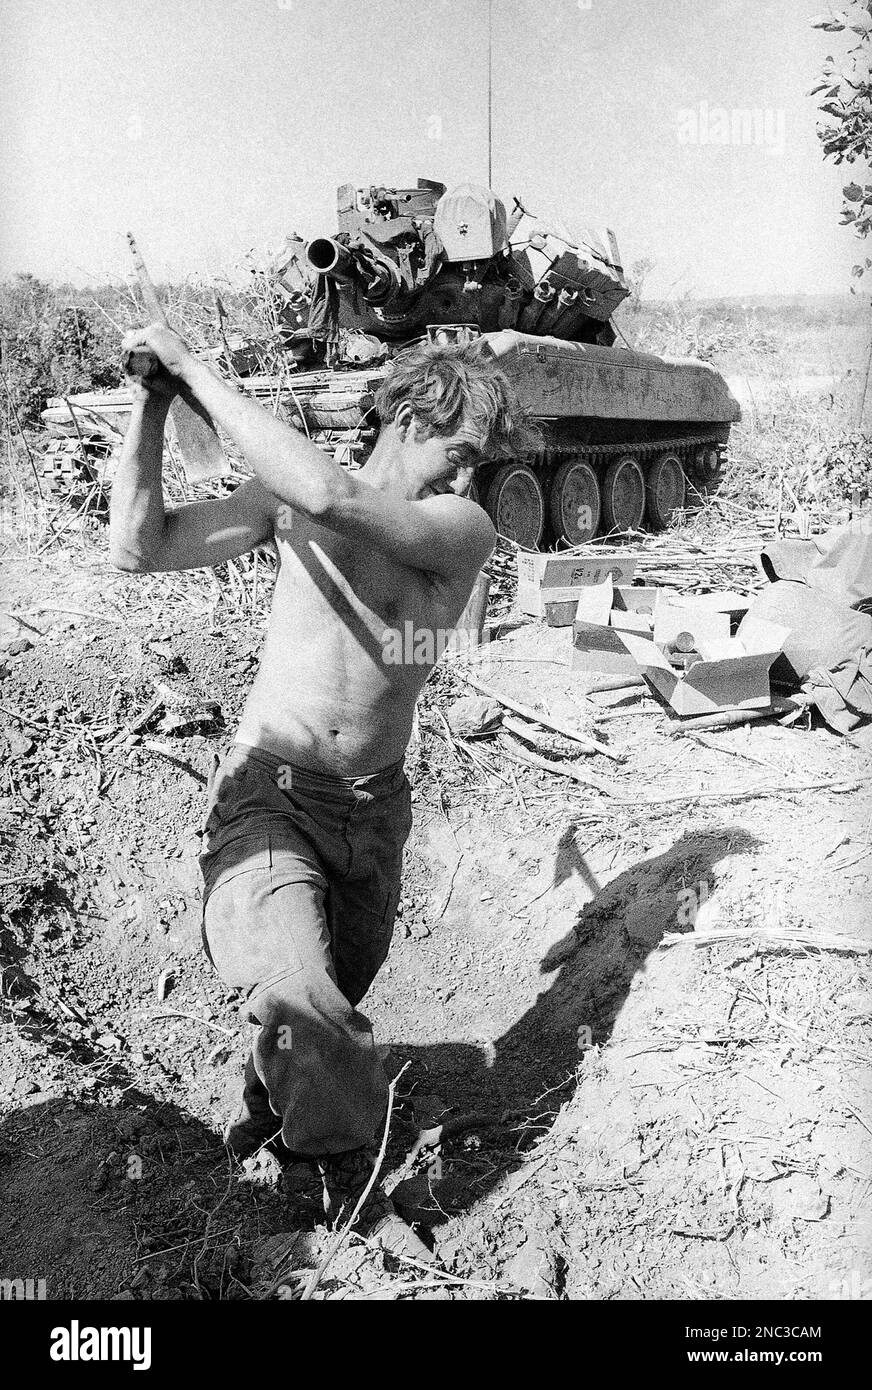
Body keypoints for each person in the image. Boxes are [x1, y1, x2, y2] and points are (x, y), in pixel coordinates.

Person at [109, 323, 532, 1230]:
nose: (469, 480)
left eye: (478, 468)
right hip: (271, 795)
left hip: (373, 817)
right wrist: (152, 402)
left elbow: (331, 490)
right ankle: (339, 1213)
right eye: (460, 456)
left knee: (328, 1004)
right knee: (303, 993)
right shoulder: (282, 500)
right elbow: (137, 547)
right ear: (414, 414)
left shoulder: (461, 527)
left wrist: (195, 368)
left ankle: (274, 1113)